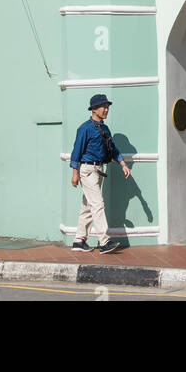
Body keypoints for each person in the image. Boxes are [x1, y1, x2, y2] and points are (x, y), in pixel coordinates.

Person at [69, 93, 131, 255]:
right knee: (98, 204)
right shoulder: (85, 128)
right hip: (87, 170)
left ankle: (79, 240)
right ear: (94, 109)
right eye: (103, 107)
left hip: (99, 170)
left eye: (107, 107)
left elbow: (113, 149)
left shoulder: (104, 128)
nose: (106, 110)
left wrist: (123, 164)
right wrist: (75, 173)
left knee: (88, 206)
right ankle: (104, 241)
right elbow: (76, 151)